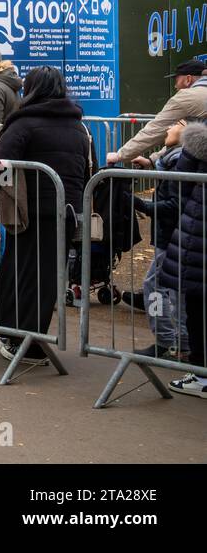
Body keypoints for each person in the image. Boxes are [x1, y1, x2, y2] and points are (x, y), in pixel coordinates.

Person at [0, 66, 91, 365]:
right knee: (44, 277)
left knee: (23, 273)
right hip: (65, 212)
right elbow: (85, 171)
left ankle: (21, 339)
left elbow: (0, 163)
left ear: (31, 89)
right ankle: (21, 334)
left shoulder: (24, 124)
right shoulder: (79, 126)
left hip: (28, 212)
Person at [129, 122, 190, 360]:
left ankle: (168, 341)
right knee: (175, 291)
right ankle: (181, 342)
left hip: (173, 236)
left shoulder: (178, 162)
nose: (169, 128)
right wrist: (150, 162)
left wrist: (142, 205)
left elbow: (176, 204)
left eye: (176, 124)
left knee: (155, 287)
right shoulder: (174, 158)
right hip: (176, 236)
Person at [162, 120, 207, 396]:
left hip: (199, 237)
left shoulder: (197, 143)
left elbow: (178, 187)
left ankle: (202, 374)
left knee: (197, 310)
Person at [108, 60, 207, 164]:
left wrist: (119, 156)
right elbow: (183, 141)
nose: (175, 86)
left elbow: (155, 130)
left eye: (176, 80)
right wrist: (152, 160)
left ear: (188, 79)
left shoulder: (187, 97)